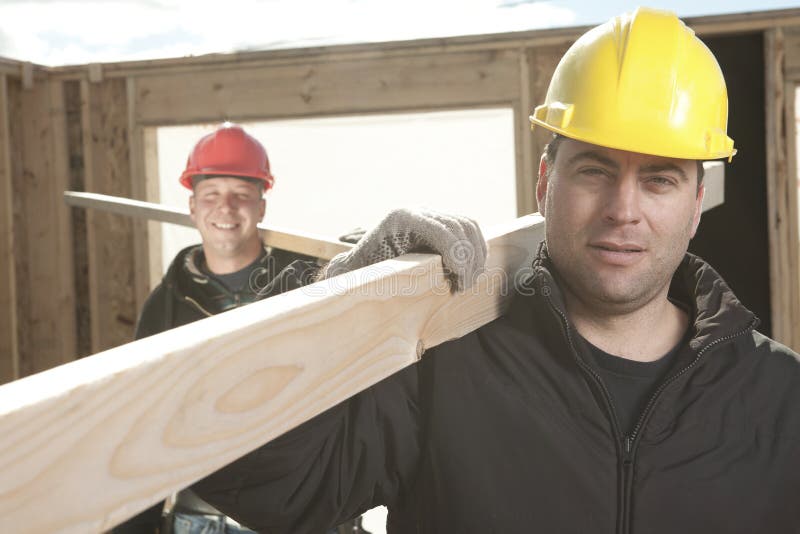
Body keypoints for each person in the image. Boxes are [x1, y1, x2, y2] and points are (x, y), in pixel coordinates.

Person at [192, 8, 800, 533]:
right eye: (594, 169)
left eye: (659, 179)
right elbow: (248, 476)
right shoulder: (442, 363)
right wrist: (339, 302)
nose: (623, 210)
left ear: (697, 205)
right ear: (544, 183)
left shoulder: (779, 396)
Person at [114, 124, 364, 534]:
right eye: (211, 195)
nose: (225, 208)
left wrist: (366, 263)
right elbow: (143, 427)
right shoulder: (165, 308)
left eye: (241, 195)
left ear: (261, 207)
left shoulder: (307, 285)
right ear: (192, 207)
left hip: (300, 513)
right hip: (200, 518)